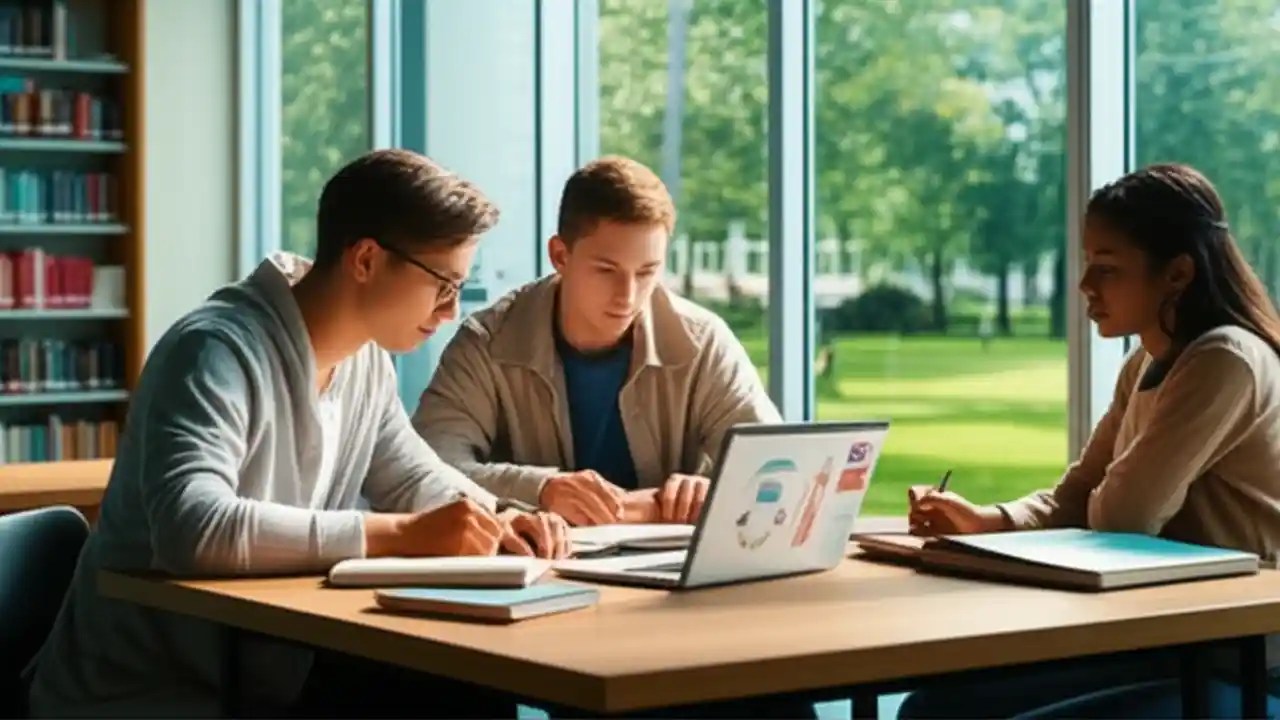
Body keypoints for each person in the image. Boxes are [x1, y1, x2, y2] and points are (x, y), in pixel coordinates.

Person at [25, 149, 569, 719]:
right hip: (146, 696)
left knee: (462, 683)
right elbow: (192, 527)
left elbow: (410, 474)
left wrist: (500, 519)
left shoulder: (364, 364)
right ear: (365, 259)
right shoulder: (213, 351)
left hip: (262, 680)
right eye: (443, 283)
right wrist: (404, 533)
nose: (452, 310)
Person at [899, 163, 1280, 718]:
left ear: (1176, 274)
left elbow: (1122, 519)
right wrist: (990, 520)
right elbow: (1079, 494)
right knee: (931, 709)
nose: (1084, 286)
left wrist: (1093, 504)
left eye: (1107, 268)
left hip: (1243, 662)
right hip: (1166, 643)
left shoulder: (1223, 360)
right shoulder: (1148, 361)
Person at [412, 155, 781, 528]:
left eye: (647, 272)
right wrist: (541, 489)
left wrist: (704, 492)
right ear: (560, 255)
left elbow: (776, 469)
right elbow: (425, 471)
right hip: (535, 574)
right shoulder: (486, 344)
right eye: (607, 271)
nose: (628, 294)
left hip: (671, 579)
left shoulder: (703, 343)